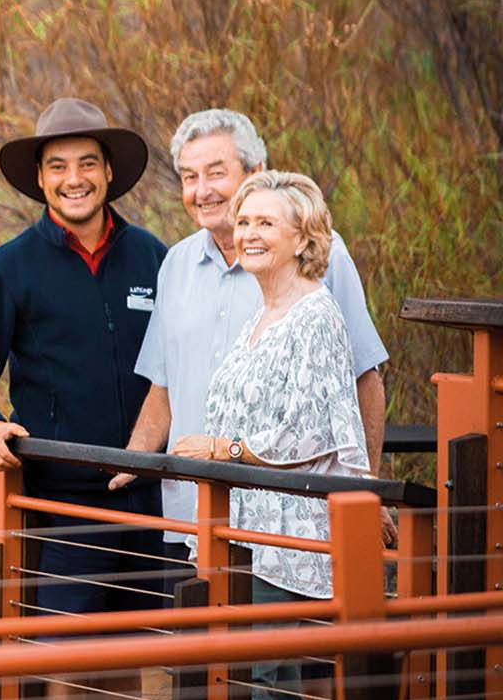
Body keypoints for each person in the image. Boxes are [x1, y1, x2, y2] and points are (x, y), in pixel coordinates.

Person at [0, 98, 168, 700]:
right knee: (63, 667)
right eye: (58, 165)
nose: (75, 178)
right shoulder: (6, 269)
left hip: (146, 499)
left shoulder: (155, 259)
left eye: (87, 163)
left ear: (108, 173)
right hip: (58, 505)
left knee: (128, 662)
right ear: (39, 179)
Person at [113, 110, 390, 545]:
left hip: (286, 521)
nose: (201, 191)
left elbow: (363, 379)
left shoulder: (319, 256)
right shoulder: (176, 265)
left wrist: (367, 490)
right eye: (189, 177)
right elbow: (164, 390)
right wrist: (128, 463)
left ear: (256, 171)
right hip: (192, 515)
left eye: (216, 173)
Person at [169, 170, 370, 700]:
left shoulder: (316, 314)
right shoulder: (262, 317)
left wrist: (219, 448)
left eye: (266, 222)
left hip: (290, 540)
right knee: (253, 691)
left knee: (267, 694)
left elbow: (307, 433)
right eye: (244, 221)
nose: (248, 233)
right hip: (246, 532)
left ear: (303, 239)